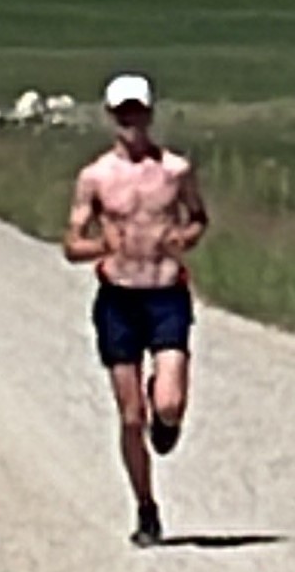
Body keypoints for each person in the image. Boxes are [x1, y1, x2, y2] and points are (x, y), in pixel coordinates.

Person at [63, 73, 209, 546]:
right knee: (131, 416)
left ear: (149, 114)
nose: (131, 121)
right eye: (122, 113)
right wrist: (96, 247)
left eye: (137, 112)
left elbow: (198, 218)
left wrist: (183, 238)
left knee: (169, 402)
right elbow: (71, 241)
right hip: (119, 296)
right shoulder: (96, 177)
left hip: (165, 291)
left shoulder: (175, 171)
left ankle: (167, 418)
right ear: (111, 116)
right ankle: (146, 507)